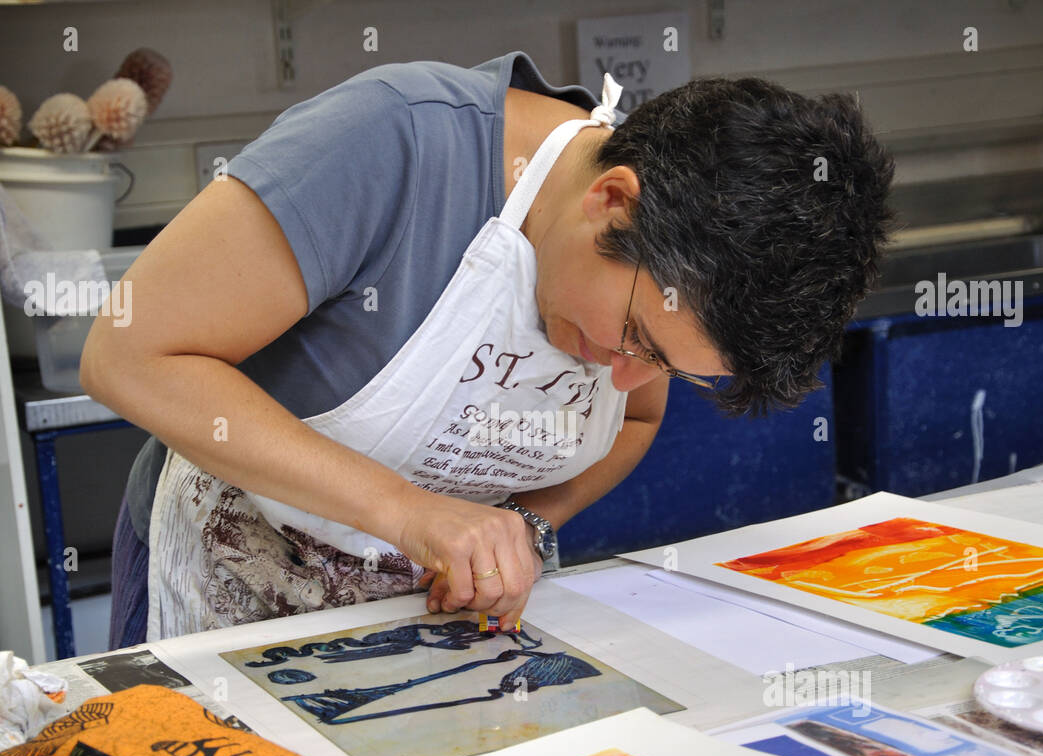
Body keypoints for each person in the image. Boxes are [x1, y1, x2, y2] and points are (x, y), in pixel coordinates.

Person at [82, 51, 894, 649]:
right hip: (233, 589)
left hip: (437, 627)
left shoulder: (665, 291)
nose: (624, 376)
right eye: (638, 338)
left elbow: (637, 422)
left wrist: (523, 529)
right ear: (611, 201)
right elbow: (127, 354)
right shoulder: (395, 144)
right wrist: (411, 513)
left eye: (670, 366)